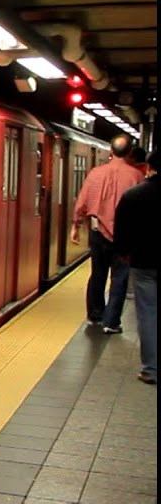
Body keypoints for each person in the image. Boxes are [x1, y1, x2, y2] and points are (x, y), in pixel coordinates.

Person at [71, 134, 144, 334]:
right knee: (120, 277)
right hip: (125, 235)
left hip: (98, 232)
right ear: (129, 153)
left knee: (98, 274)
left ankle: (95, 315)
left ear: (111, 151)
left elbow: (83, 200)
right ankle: (111, 322)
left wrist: (75, 225)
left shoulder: (96, 173)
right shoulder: (136, 176)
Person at [113, 149, 158, 384]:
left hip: (144, 263)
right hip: (143, 261)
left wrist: (125, 254)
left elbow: (121, 231)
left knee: (148, 313)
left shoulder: (133, 195)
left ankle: (151, 369)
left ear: (149, 167)